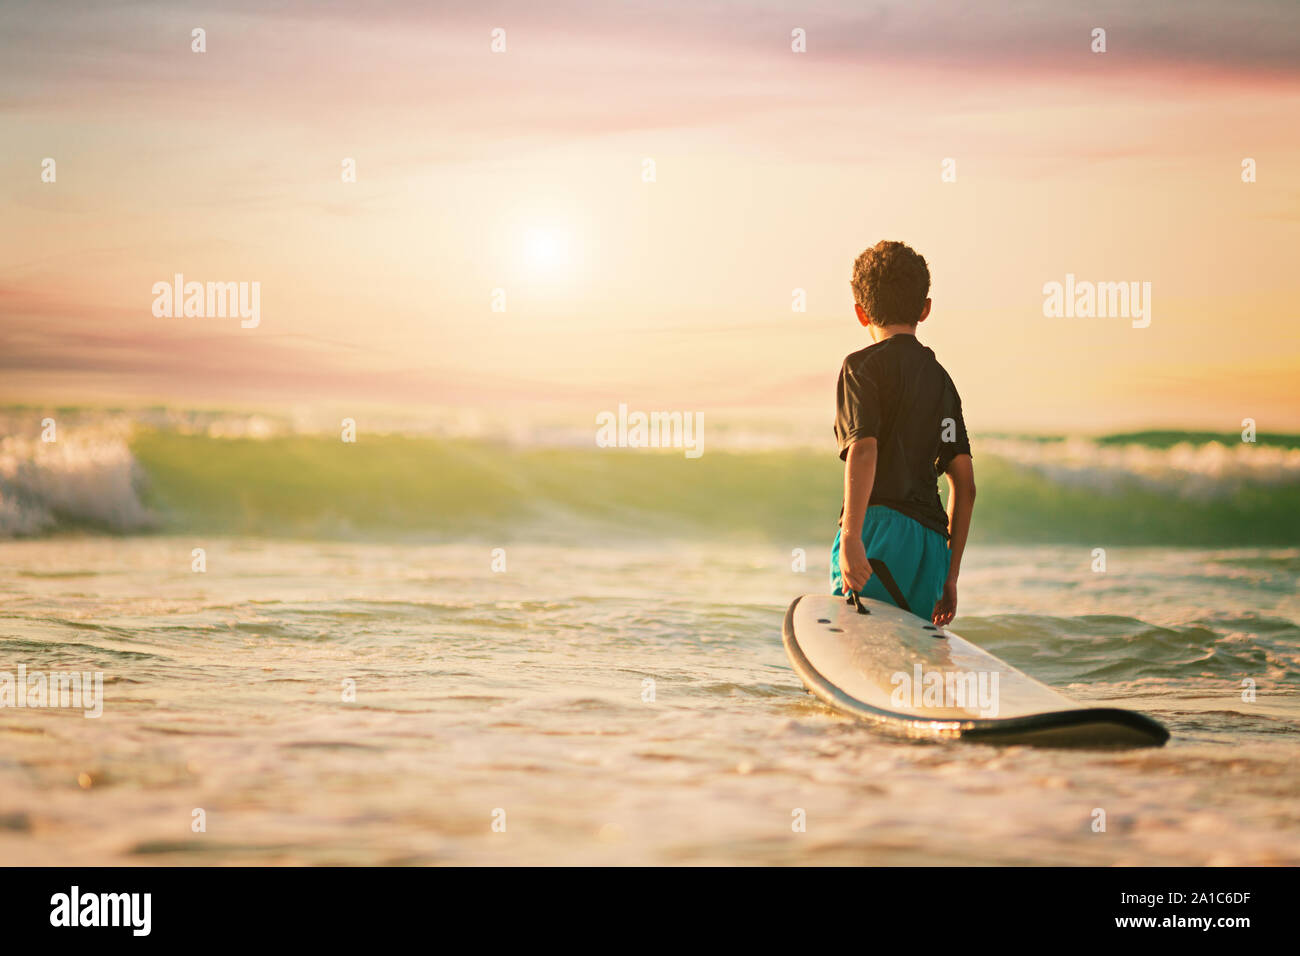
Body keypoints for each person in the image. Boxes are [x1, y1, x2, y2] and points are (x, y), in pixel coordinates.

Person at [831, 240, 975, 626]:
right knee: (911, 668)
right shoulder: (942, 382)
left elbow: (864, 448)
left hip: (877, 532)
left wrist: (851, 536)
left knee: (852, 652)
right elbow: (964, 483)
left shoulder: (861, 368)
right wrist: (951, 575)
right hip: (930, 547)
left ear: (861, 313)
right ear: (925, 308)